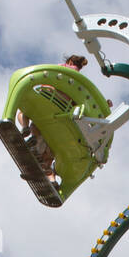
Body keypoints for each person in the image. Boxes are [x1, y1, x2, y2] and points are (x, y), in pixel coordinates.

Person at [17, 55, 90, 184]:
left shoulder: (62, 69)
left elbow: (46, 77)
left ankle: (25, 128)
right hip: (63, 115)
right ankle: (51, 180)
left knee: (24, 112)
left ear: (70, 61)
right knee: (49, 152)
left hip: (49, 102)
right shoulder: (80, 83)